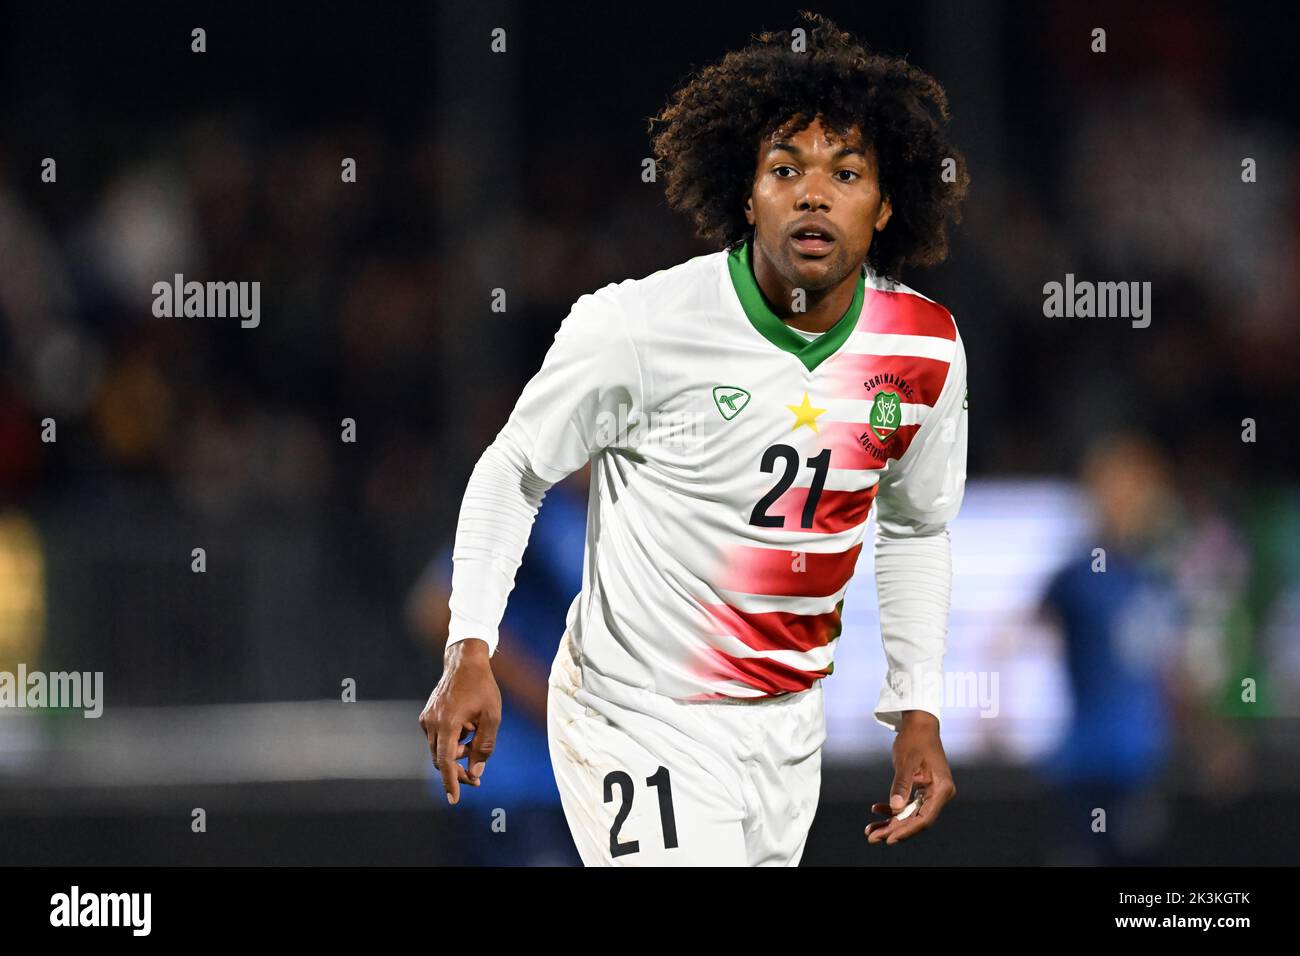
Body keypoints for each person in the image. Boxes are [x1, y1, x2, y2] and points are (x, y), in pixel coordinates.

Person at [419, 12, 971, 865]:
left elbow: (916, 526)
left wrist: (918, 709)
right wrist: (470, 647)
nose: (813, 193)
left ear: (887, 201)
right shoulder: (639, 327)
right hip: (638, 714)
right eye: (784, 169)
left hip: (787, 729)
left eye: (846, 172)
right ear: (747, 195)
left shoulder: (924, 348)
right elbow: (515, 467)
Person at [408, 467, 589, 865]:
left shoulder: (616, 516)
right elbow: (436, 609)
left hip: (583, 780)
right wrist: (542, 697)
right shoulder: (528, 510)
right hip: (513, 781)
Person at [1037, 434, 1187, 865]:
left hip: (1144, 763)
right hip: (1089, 762)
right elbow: (1014, 638)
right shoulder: (1079, 576)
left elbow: (1166, 669)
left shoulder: (1153, 580)